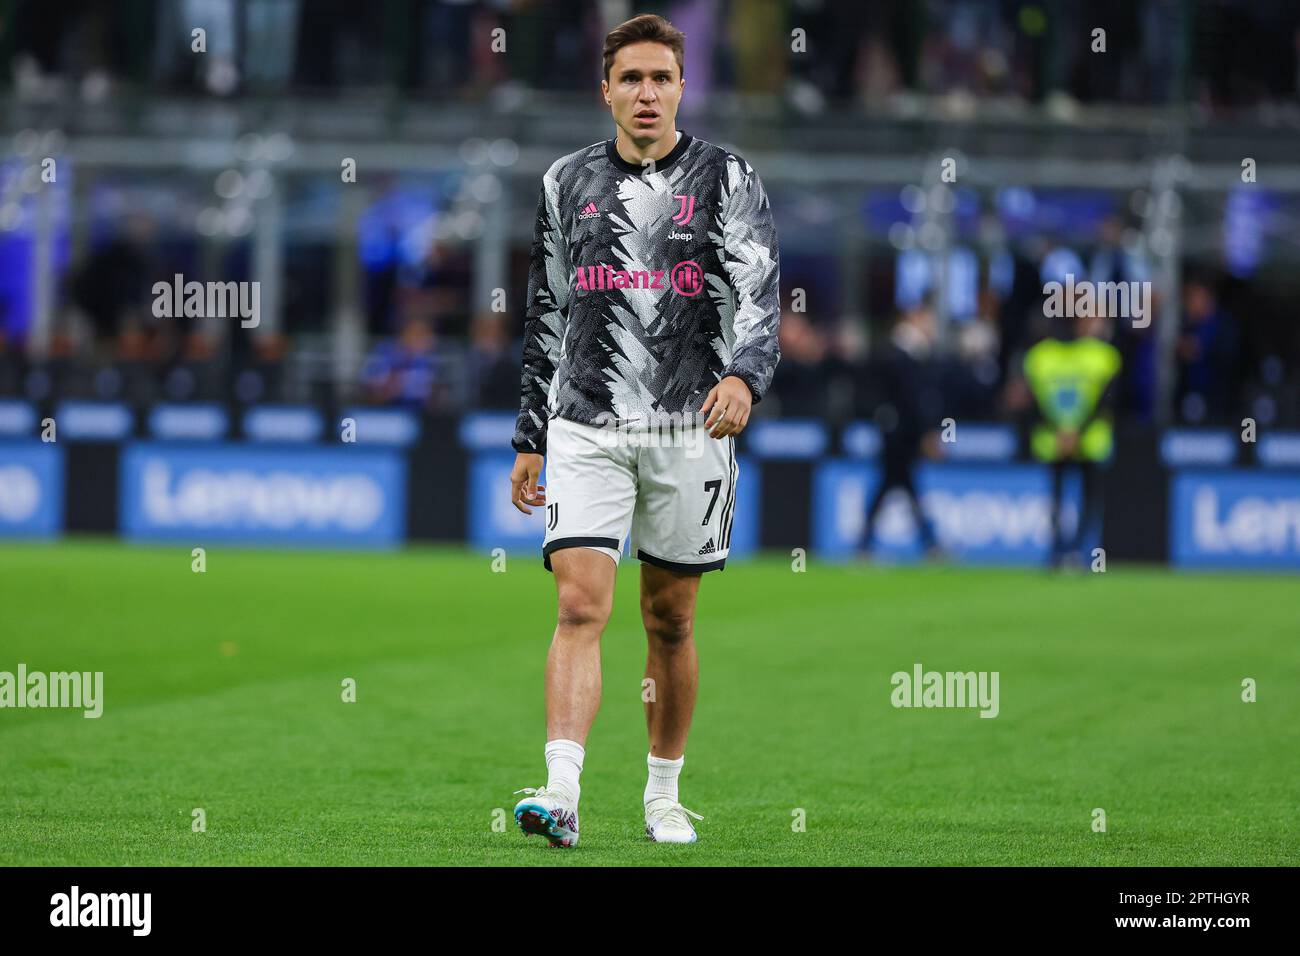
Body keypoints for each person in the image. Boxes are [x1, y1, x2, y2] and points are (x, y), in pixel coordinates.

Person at [507, 13, 780, 848]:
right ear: (606, 91)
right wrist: (529, 435)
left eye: (661, 78)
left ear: (682, 87)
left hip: (689, 424)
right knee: (580, 604)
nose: (647, 92)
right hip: (585, 421)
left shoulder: (728, 178)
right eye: (631, 79)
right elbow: (546, 311)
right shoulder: (563, 183)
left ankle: (664, 793)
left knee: (670, 621)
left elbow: (762, 295)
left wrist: (743, 375)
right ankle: (562, 792)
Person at [1023, 310, 1121, 568]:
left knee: (1078, 498)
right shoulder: (1101, 356)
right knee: (1069, 498)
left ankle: (1072, 552)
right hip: (1074, 439)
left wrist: (1066, 431)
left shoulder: (1041, 356)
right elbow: (1035, 400)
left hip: (1071, 439)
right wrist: (1071, 431)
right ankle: (1068, 552)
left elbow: (1108, 400)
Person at [861, 300, 942, 556]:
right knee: (899, 485)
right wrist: (926, 433)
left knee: (896, 486)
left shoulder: (911, 354)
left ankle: (867, 544)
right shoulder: (898, 355)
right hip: (898, 437)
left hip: (901, 435)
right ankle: (930, 544)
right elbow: (910, 401)